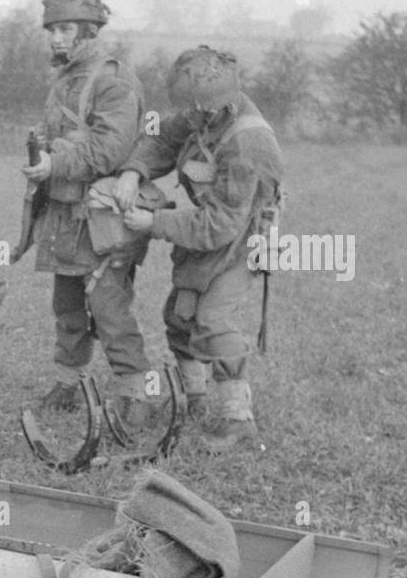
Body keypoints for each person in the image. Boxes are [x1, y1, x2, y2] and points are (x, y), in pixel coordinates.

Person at [114, 46, 284, 451]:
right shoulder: (199, 113)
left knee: (213, 320)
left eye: (195, 110)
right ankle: (196, 399)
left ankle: (238, 422)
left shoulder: (248, 143)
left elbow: (222, 225)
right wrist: (132, 173)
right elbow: (159, 139)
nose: (188, 116)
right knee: (179, 316)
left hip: (244, 237)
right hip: (208, 226)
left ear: (218, 103)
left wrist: (155, 223)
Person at [18, 0, 150, 430]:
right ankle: (69, 383)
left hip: (101, 220)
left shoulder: (112, 80)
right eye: (51, 29)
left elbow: (109, 149)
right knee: (67, 306)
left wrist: (56, 160)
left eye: (66, 28)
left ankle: (136, 396)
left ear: (90, 30)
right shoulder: (65, 79)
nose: (56, 38)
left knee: (111, 310)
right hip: (64, 215)